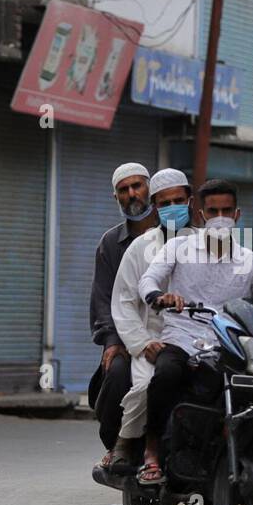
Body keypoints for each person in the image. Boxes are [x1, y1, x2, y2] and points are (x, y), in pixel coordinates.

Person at [135, 179, 253, 485]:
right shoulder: (177, 247)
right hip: (182, 336)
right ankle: (151, 452)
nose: (220, 216)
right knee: (166, 374)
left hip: (230, 344)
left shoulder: (249, 261)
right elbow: (148, 280)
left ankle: (240, 447)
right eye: (213, 210)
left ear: (237, 214)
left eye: (226, 210)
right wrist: (159, 297)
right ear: (202, 214)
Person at [102, 168, 195, 474]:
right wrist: (141, 344)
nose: (172, 209)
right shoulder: (139, 248)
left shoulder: (209, 245)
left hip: (198, 342)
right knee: (144, 389)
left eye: (178, 201)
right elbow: (123, 303)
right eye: (165, 203)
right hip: (152, 342)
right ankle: (126, 444)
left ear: (191, 201)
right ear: (154, 205)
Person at [88, 162, 156, 462]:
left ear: (149, 189)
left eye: (137, 186)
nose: (132, 194)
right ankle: (117, 443)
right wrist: (113, 340)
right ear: (116, 197)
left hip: (174, 330)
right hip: (128, 334)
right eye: (123, 190)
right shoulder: (110, 244)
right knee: (116, 373)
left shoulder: (180, 237)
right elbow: (103, 297)